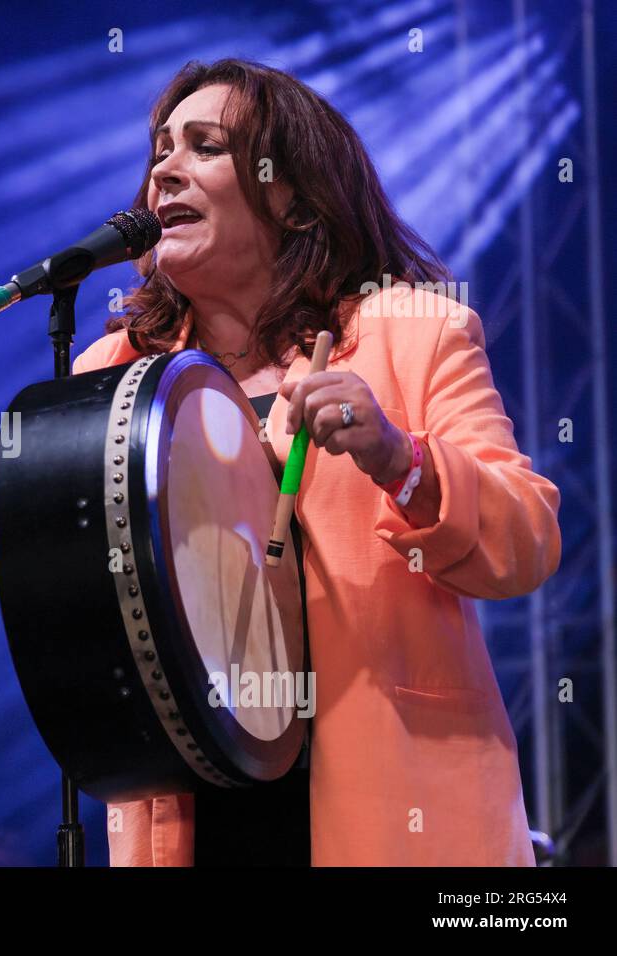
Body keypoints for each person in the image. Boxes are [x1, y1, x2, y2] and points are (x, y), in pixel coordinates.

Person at [73, 59, 561, 866]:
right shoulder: (112, 375)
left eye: (205, 146)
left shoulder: (411, 332)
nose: (165, 168)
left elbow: (528, 538)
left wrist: (399, 458)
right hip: (194, 816)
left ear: (290, 194)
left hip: (391, 804)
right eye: (161, 149)